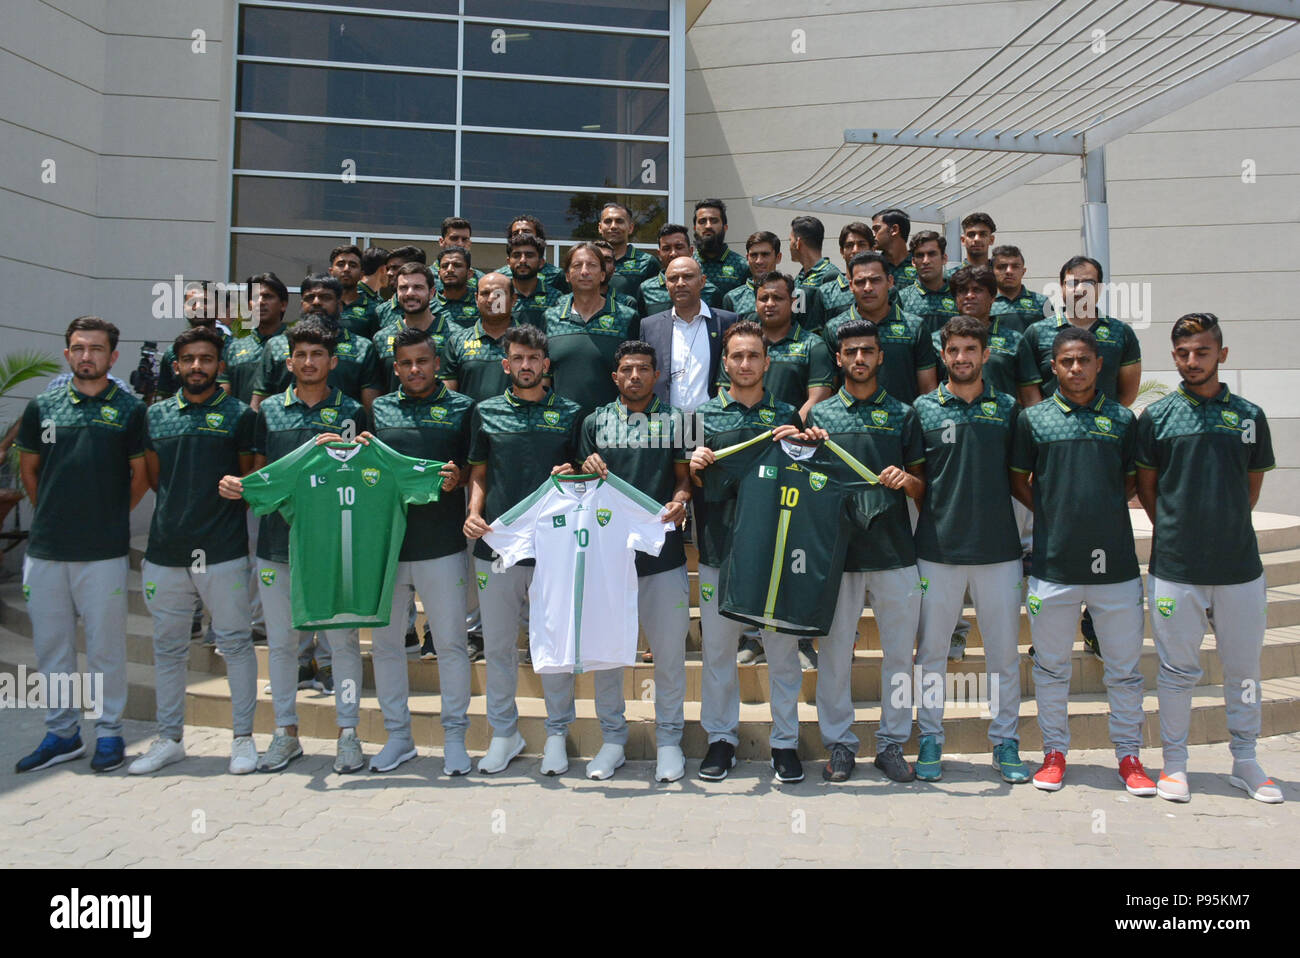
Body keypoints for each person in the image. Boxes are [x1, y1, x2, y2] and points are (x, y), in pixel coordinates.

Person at [1135, 313, 1282, 804]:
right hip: (1176, 568)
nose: (1192, 361)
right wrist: (1179, 529)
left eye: (1202, 351)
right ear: (1174, 357)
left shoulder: (1248, 416)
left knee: (1243, 671)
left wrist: (1223, 525)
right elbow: (1148, 489)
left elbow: (1250, 489)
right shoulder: (1155, 418)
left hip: (1240, 569)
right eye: (1182, 353)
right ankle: (1174, 765)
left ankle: (1246, 760)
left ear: (1222, 354)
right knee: (1177, 672)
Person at [218, 318, 369, 774]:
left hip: (335, 546)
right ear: (289, 361)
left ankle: (348, 735)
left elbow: (362, 478)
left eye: (317, 355)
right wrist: (239, 486)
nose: (308, 362)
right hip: (277, 546)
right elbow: (262, 475)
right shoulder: (270, 412)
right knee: (283, 645)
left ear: (332, 361)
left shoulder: (352, 413)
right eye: (300, 355)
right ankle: (286, 732)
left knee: (341, 644)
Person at [1010, 326, 1156, 795]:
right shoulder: (1033, 420)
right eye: (1066, 361)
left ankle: (1129, 757)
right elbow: (1019, 481)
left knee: (1124, 669)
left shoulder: (1122, 419)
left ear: (1099, 366)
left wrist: (1097, 508)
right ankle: (1054, 753)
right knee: (1052, 667)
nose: (1075, 368)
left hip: (1115, 566)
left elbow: (1132, 482)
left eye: (1084, 361)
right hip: (1054, 564)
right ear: (1053, 367)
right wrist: (1056, 512)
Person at [15, 317, 148, 774]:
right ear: (67, 353)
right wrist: (55, 513)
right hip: (47, 550)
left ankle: (110, 732)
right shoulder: (43, 406)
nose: (86, 355)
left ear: (113, 357)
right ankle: (62, 733)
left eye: (96, 349)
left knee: (106, 647)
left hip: (103, 552)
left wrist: (108, 517)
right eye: (78, 347)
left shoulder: (130, 410)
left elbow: (141, 476)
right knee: (53, 648)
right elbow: (30, 470)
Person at [131, 325, 260, 776]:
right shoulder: (155, 416)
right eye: (189, 360)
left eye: (206, 359)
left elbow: (248, 481)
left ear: (219, 365)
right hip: (166, 551)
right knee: (168, 649)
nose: (197, 367)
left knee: (236, 645)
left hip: (223, 552)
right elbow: (152, 480)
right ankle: (169, 740)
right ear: (177, 366)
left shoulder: (242, 415)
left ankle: (243, 740)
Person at [808, 319, 926, 783]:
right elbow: (809, 484)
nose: (859, 359)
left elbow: (923, 488)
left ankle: (892, 745)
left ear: (880, 357)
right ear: (838, 359)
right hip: (837, 556)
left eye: (868, 352)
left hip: (895, 552)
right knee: (835, 655)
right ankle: (839, 745)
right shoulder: (819, 418)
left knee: (899, 655)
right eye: (851, 352)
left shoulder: (903, 413)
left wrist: (906, 480)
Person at [911, 316, 1029, 784]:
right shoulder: (921, 409)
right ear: (943, 355)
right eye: (954, 350)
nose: (962, 358)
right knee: (932, 653)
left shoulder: (1008, 409)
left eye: (971, 350)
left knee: (1002, 653)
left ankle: (1005, 741)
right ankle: (931, 737)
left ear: (984, 355)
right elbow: (917, 483)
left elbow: (1020, 481)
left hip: (999, 551)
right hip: (936, 550)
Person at [463, 325, 584, 774]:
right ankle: (504, 734)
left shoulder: (571, 412)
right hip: (497, 544)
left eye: (534, 359)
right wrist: (474, 514)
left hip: (554, 546)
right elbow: (479, 472)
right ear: (506, 364)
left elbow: (583, 481)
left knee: (552, 647)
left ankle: (557, 733)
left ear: (546, 365)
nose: (526, 366)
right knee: (496, 646)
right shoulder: (486, 411)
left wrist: (571, 471)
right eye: (518, 358)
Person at [688, 321, 803, 782]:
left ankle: (786, 743)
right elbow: (687, 483)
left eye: (754, 355)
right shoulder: (703, 416)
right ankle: (721, 739)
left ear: (766, 361)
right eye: (736, 356)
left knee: (782, 653)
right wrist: (695, 469)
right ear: (726, 363)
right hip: (721, 551)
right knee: (718, 652)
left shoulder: (789, 416)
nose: (745, 364)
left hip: (776, 553)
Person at [578, 342, 693, 781]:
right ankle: (612, 740)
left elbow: (685, 482)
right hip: (607, 559)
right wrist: (582, 465)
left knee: (668, 656)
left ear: (657, 374)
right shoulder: (594, 421)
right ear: (615, 377)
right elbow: (578, 486)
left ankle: (668, 741)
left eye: (643, 369)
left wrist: (680, 502)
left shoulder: (678, 421)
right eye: (626, 369)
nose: (634, 377)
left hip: (662, 556)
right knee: (607, 655)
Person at [364, 326, 472, 774]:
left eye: (422, 362)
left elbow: (474, 468)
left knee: (450, 644)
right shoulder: (380, 410)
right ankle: (398, 738)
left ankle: (455, 738)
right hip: (388, 546)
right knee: (388, 646)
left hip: (442, 546)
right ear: (395, 368)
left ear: (436, 364)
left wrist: (458, 478)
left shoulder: (463, 408)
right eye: (405, 363)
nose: (414, 370)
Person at [251, 274, 383, 413]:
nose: (316, 302)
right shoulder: (276, 345)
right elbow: (259, 404)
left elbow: (370, 409)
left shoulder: (362, 348)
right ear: (302, 305)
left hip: (342, 430)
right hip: (287, 429)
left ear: (340, 306)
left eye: (325, 297)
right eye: (309, 298)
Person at [1023, 255, 1142, 407]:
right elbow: (1027, 389)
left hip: (1104, 427)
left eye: (1088, 283)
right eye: (1073, 283)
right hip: (1053, 427)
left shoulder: (1121, 332)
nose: (1080, 289)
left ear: (1100, 288)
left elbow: (1128, 393)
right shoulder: (1037, 333)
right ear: (1061, 287)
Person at [823, 252, 936, 405]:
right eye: (860, 282)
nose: (868, 288)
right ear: (851, 286)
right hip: (852, 425)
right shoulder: (834, 328)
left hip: (903, 424)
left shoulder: (915, 327)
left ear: (890, 282)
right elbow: (828, 392)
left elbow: (928, 389)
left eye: (875, 280)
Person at [543, 242, 640, 418]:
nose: (585, 271)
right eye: (577, 265)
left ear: (603, 275)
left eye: (592, 265)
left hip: (611, 425)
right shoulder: (550, 318)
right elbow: (544, 379)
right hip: (559, 424)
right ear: (567, 275)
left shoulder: (627, 318)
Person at [640, 256, 739, 414]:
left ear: (702, 281)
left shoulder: (727, 322)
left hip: (709, 421)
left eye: (687, 277)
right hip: (664, 422)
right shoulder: (649, 326)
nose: (680, 283)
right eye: (673, 278)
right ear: (666, 284)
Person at [932, 266, 1042, 406]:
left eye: (977, 290)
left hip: (1003, 422)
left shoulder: (1014, 340)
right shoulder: (936, 341)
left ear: (992, 298)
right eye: (963, 291)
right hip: (953, 422)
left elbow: (1031, 397)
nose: (969, 296)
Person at [371, 263, 455, 394]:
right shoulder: (381, 338)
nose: (410, 293)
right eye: (404, 288)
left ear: (432, 292)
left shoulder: (455, 335)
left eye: (418, 287)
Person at [637, 223, 721, 317]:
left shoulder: (710, 291)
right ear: (659, 254)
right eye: (666, 248)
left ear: (691, 251)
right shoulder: (646, 289)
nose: (673, 253)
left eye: (679, 247)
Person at [898, 231, 959, 336]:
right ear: (913, 262)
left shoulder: (959, 295)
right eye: (920, 255)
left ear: (944, 258)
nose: (926, 261)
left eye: (932, 254)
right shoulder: (902, 298)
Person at [598, 201, 658, 298]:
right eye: (608, 221)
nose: (613, 226)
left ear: (630, 228)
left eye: (619, 221)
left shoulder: (647, 263)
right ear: (600, 228)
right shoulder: (589, 262)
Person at [721, 230, 783, 324]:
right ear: (747, 258)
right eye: (754, 255)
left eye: (765, 254)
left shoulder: (792, 293)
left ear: (778, 257)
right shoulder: (733, 298)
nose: (759, 261)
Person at [692, 198, 748, 300]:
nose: (708, 226)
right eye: (702, 221)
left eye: (714, 221)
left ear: (725, 227)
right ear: (695, 229)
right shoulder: (687, 264)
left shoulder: (743, 266)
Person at [503, 232, 559, 330]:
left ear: (541, 263)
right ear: (508, 262)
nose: (522, 260)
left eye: (529, 255)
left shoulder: (556, 297)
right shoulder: (499, 296)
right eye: (516, 255)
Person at [820, 222, 874, 321]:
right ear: (842, 251)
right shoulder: (825, 293)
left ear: (872, 249)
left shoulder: (884, 288)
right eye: (849, 245)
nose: (855, 250)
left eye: (861, 244)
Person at [989, 244, 1049, 332]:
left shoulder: (1042, 302)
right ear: (992, 271)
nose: (1009, 271)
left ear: (1023, 271)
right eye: (1002, 267)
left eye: (1015, 267)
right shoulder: (985, 303)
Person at [499, 215, 567, 293]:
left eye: (526, 232)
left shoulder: (556, 274)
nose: (520, 234)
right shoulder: (501, 275)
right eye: (515, 233)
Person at [330, 243, 383, 339]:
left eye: (353, 265)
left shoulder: (374, 308)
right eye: (341, 264)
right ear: (331, 271)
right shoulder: (320, 303)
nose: (346, 269)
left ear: (361, 274)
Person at [432, 246, 480, 329]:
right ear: (439, 274)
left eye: (457, 265)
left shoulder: (481, 302)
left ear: (469, 273)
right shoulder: (429, 305)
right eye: (445, 266)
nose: (450, 270)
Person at [870, 207, 917, 293]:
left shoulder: (920, 265)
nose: (873, 236)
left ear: (894, 230)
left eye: (877, 229)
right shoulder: (874, 266)